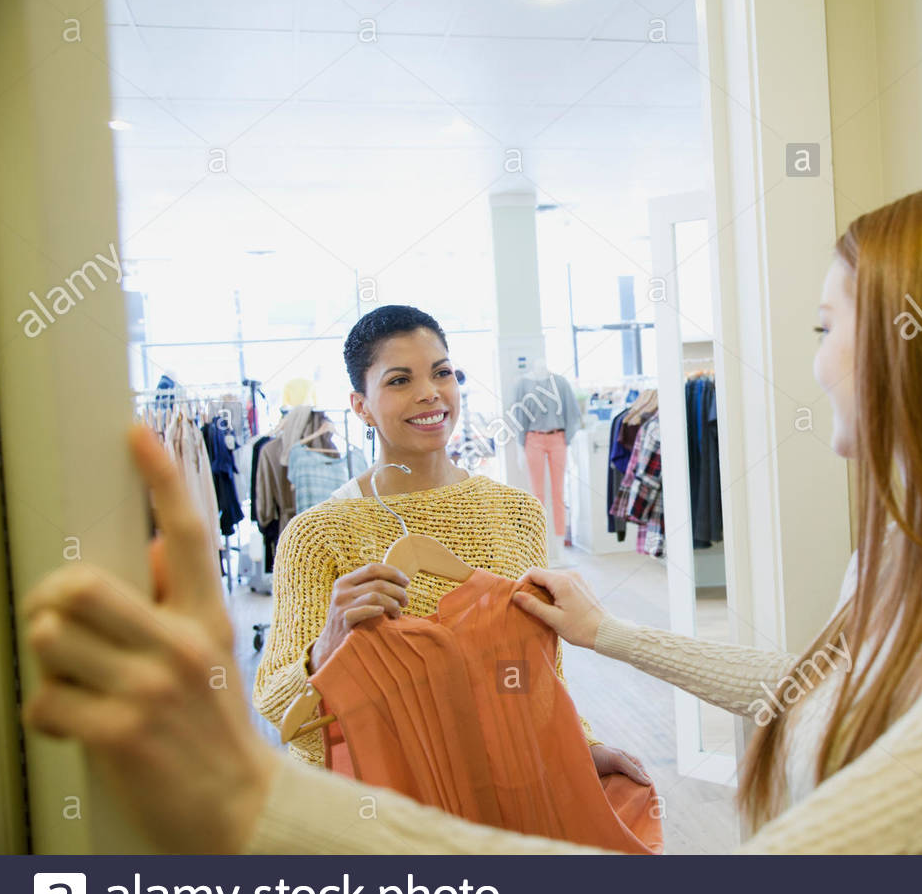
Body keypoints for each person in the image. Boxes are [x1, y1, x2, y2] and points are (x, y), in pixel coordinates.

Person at [22, 186, 922, 853]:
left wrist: (251, 800)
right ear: (362, 403)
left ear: (913, 350)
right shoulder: (913, 554)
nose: (809, 365)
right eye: (401, 379)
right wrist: (611, 634)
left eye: (823, 327)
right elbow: (822, 690)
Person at [251, 304, 646, 783]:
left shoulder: (518, 514)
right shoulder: (318, 534)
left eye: (442, 373)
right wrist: (327, 642)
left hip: (506, 777)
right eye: (399, 380)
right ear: (362, 406)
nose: (429, 394)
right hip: (386, 796)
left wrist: (582, 744)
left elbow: (541, 672)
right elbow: (278, 706)